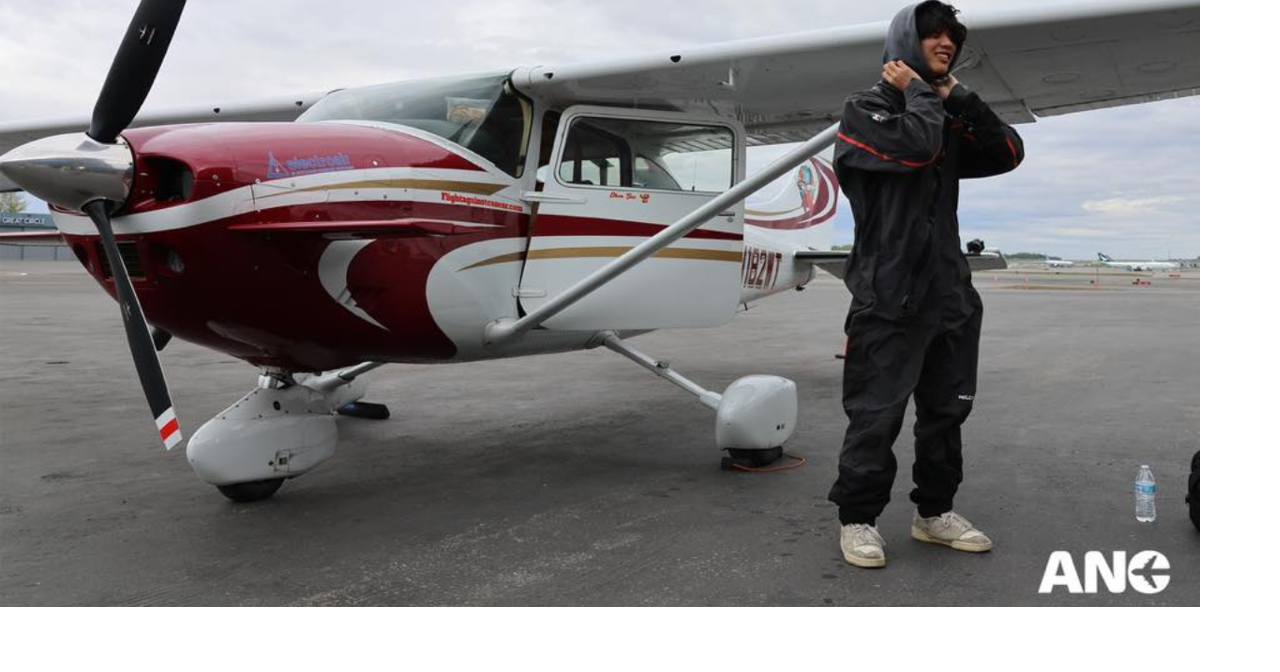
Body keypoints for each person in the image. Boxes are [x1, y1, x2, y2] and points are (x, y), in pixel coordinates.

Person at [829, 1, 1025, 568]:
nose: (946, 44)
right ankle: (858, 519)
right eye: (933, 35)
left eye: (952, 38)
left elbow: (1008, 151)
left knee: (947, 412)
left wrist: (958, 98)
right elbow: (918, 148)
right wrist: (921, 94)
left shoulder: (939, 114)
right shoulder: (865, 111)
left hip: (950, 296)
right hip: (889, 295)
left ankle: (934, 512)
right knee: (876, 414)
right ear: (903, 45)